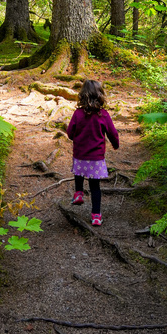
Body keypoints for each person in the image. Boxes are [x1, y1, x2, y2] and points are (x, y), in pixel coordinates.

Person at [66, 79, 119, 226]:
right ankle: (96, 215)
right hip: (96, 158)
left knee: (79, 172)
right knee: (95, 187)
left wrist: (75, 137)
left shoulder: (77, 114)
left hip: (80, 155)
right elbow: (113, 134)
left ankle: (78, 193)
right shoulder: (104, 115)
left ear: (83, 96)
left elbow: (70, 132)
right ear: (100, 95)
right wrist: (116, 144)